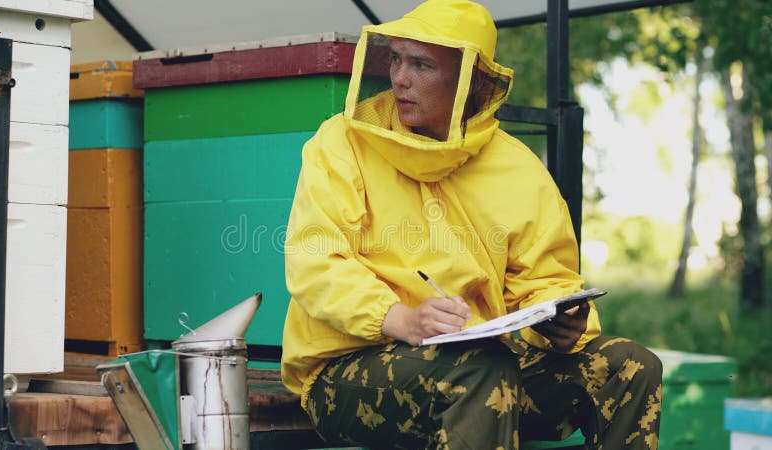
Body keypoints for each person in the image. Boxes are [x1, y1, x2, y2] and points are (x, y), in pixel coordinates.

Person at [281, 1, 663, 448]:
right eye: (396, 59)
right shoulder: (340, 142)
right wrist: (399, 318)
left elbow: (545, 277)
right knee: (480, 370)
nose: (400, 78)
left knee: (632, 366)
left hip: (487, 366)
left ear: (473, 79)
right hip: (347, 372)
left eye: (421, 64)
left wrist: (563, 321)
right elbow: (315, 260)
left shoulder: (516, 167)